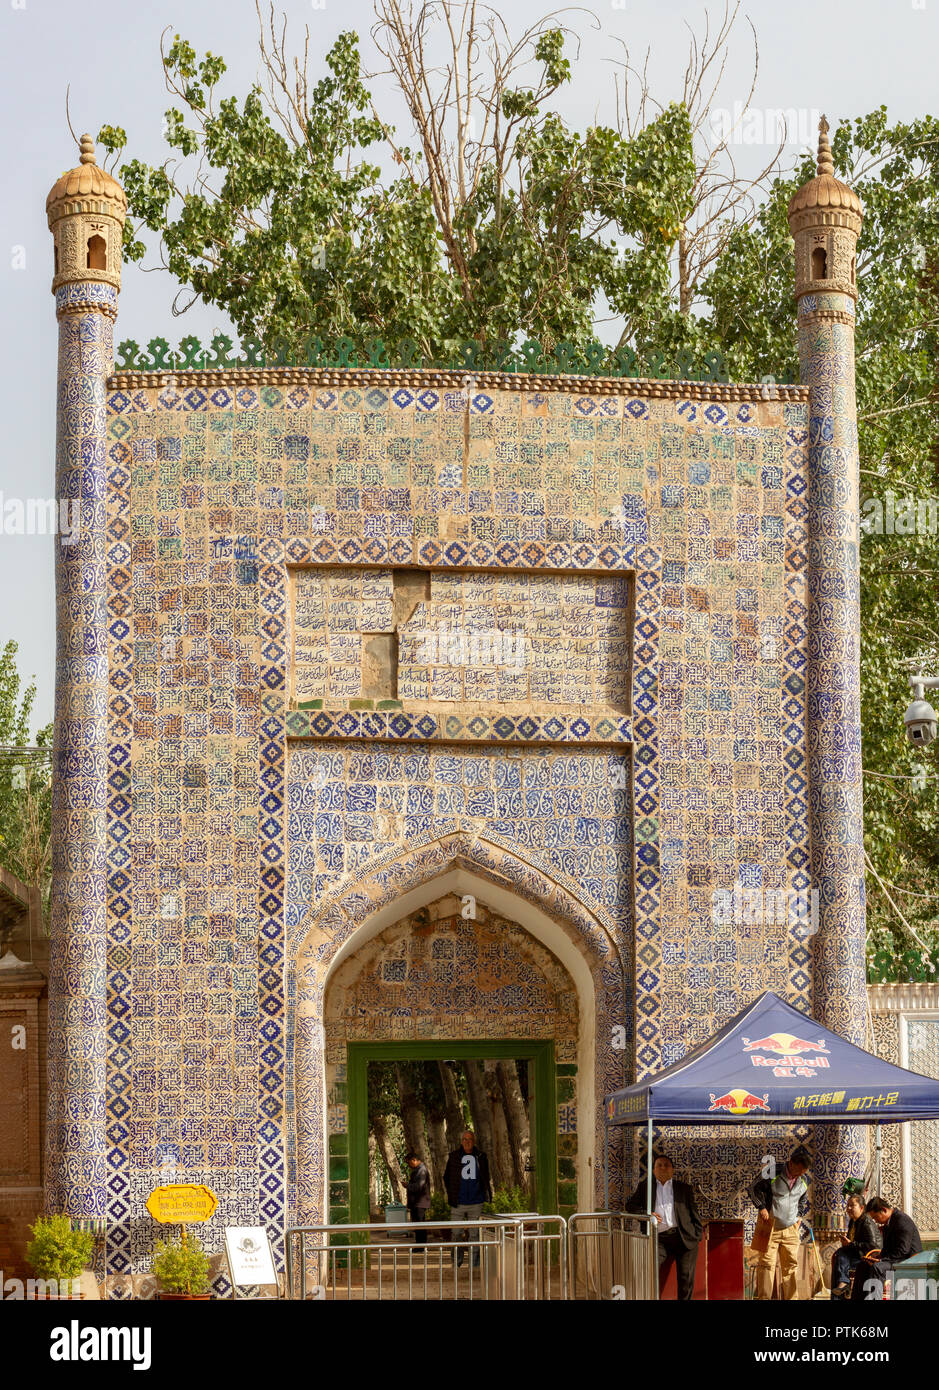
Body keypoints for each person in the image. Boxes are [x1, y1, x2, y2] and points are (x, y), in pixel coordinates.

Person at [625, 1154, 703, 1300]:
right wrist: (647, 1214)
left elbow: (694, 1212)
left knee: (686, 1278)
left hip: (684, 1237)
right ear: (653, 1170)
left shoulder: (683, 1188)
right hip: (658, 1238)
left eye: (666, 1165)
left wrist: (697, 1234)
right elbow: (630, 1206)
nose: (662, 1167)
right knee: (650, 1271)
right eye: (659, 1165)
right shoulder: (646, 1186)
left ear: (672, 1169)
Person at [748, 1145, 812, 1300]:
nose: (799, 1175)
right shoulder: (773, 1171)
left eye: (803, 1172)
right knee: (766, 1265)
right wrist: (761, 1207)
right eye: (798, 1171)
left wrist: (799, 1216)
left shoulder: (803, 1179)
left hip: (791, 1229)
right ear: (791, 1163)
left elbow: (803, 1198)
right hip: (770, 1226)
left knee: (790, 1266)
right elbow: (752, 1188)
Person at [851, 1197, 922, 1301]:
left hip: (907, 1261)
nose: (876, 1221)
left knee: (877, 1268)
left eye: (875, 1218)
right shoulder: (889, 1223)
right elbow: (888, 1248)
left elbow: (903, 1251)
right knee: (863, 1265)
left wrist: (881, 1260)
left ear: (884, 1210)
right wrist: (877, 1257)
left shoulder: (902, 1221)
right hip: (894, 1260)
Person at [444, 1130, 492, 1267]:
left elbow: (486, 1177)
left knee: (475, 1235)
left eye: (470, 1139)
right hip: (458, 1202)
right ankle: (456, 1262)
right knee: (456, 1234)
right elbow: (446, 1177)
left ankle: (474, 1264)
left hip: (476, 1202)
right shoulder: (453, 1157)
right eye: (464, 1139)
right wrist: (452, 1192)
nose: (467, 1141)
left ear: (474, 1141)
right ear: (461, 1141)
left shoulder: (481, 1156)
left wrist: (483, 1193)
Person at [830, 1193, 881, 1299]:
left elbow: (873, 1245)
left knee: (841, 1255)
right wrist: (847, 1243)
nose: (848, 1208)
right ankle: (841, 1287)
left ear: (862, 1208)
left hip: (868, 1257)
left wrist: (851, 1244)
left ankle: (843, 1285)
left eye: (852, 1205)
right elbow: (852, 1243)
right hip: (857, 1254)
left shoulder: (866, 1222)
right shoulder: (853, 1221)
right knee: (839, 1255)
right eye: (847, 1205)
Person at [405, 1151, 431, 1244]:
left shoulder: (422, 1170)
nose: (409, 1165)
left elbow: (419, 1186)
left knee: (420, 1224)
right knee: (417, 1224)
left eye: (409, 1163)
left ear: (414, 1160)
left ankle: (421, 1244)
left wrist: (408, 1185)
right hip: (416, 1202)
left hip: (420, 1201)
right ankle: (419, 1243)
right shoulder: (418, 1170)